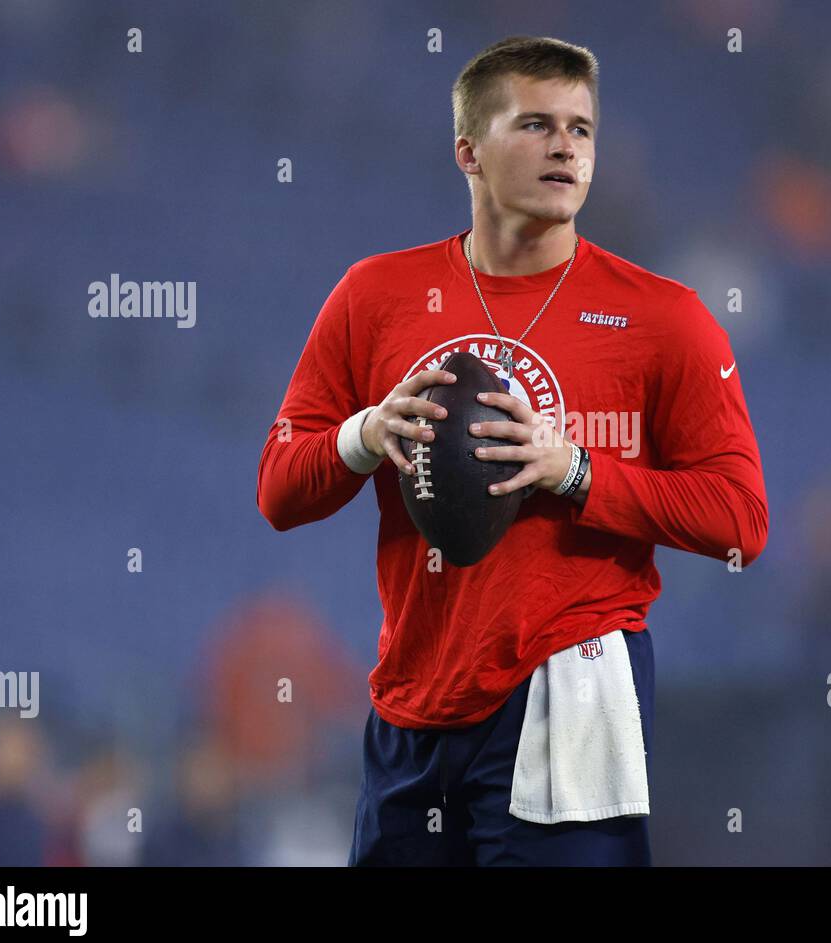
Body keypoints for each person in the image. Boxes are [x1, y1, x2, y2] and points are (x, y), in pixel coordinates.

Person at [257, 35, 768, 866]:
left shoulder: (666, 318)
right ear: (468, 150)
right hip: (412, 700)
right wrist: (366, 435)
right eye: (536, 124)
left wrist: (574, 471)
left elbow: (742, 522)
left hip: (571, 691)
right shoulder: (373, 296)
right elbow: (279, 490)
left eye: (582, 128)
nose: (567, 146)